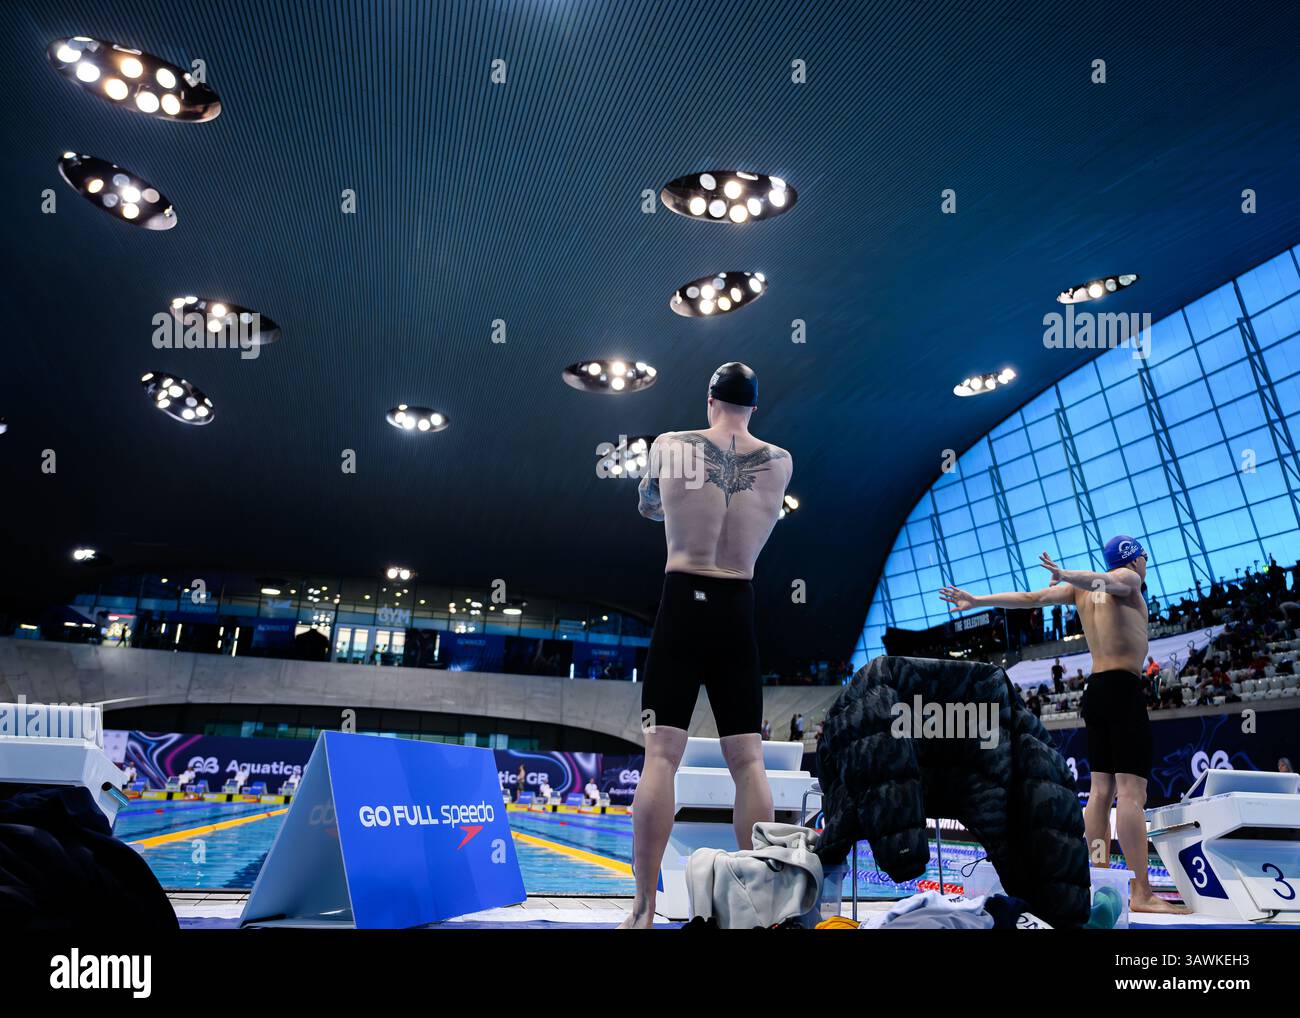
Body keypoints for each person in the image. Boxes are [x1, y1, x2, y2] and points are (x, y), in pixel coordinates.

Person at [622, 362, 792, 929]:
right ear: (754, 408)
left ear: (710, 399)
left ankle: (644, 908)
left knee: (660, 755)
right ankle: (759, 911)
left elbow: (648, 507)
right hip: (737, 608)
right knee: (748, 761)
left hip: (682, 599)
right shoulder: (779, 462)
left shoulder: (670, 444)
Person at [939, 535, 1185, 914]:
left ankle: (1101, 875)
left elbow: (1030, 599)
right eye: (1144, 557)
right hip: (1122, 690)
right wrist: (1067, 573)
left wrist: (977, 600)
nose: (1145, 563)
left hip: (1096, 691)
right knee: (1131, 794)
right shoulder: (1128, 580)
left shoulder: (1080, 592)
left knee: (1101, 791)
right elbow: (1111, 582)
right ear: (1133, 559)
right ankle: (1140, 891)